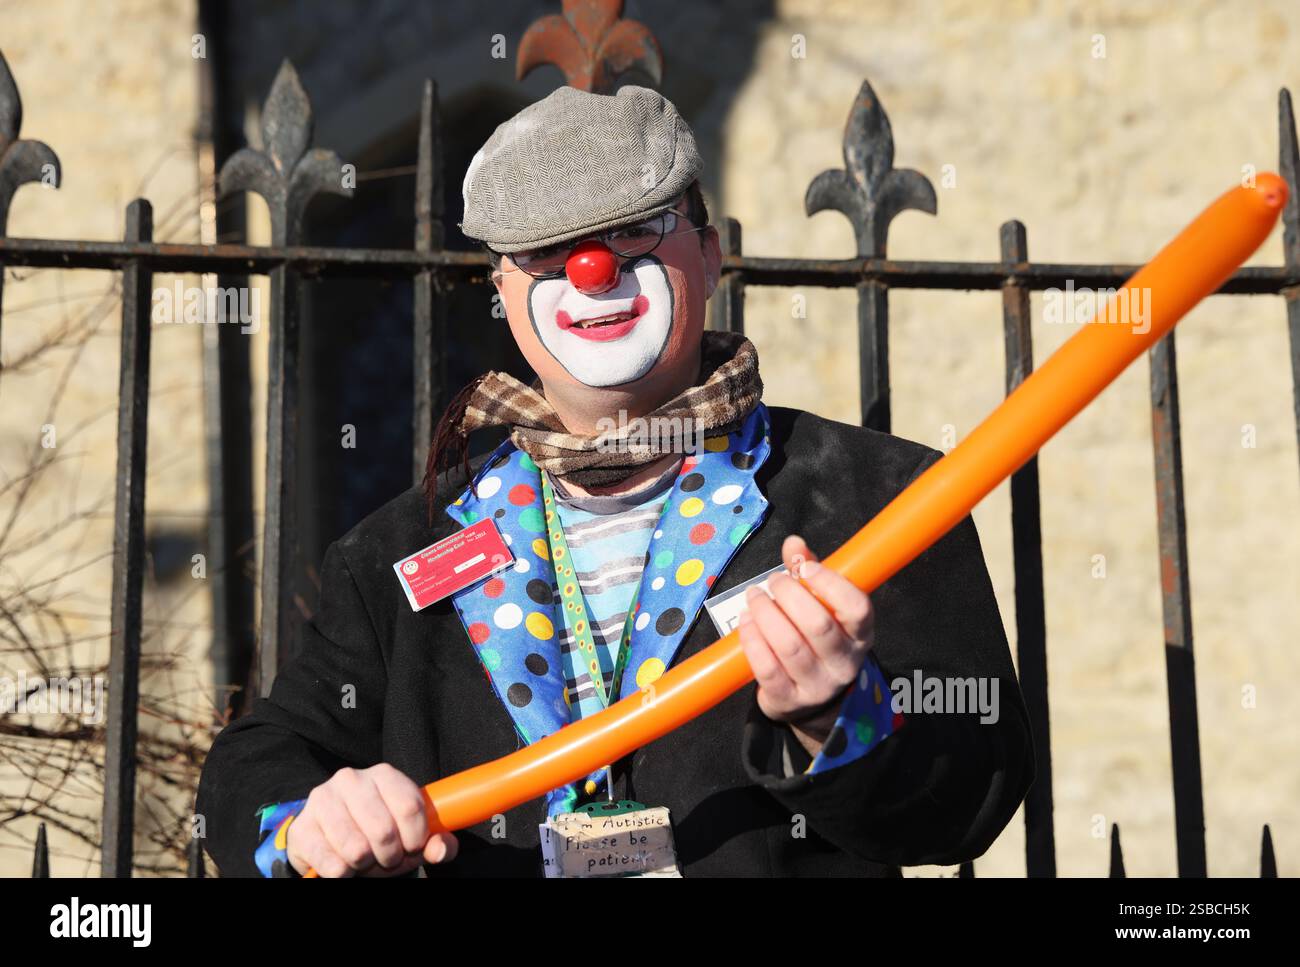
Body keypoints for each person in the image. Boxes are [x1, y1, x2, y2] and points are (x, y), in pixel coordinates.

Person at [196, 84, 1034, 878]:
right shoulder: (401, 550)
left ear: (708, 253)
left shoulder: (883, 498)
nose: (592, 268)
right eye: (544, 251)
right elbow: (254, 762)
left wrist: (834, 718)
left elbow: (974, 794)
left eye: (635, 230)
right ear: (504, 292)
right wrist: (312, 817)